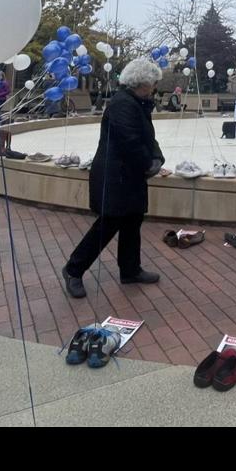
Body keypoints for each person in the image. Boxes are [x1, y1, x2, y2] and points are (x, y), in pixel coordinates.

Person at [61, 57, 166, 298]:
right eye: (153, 83)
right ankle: (73, 269)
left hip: (129, 175)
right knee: (108, 224)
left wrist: (157, 157)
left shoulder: (137, 102)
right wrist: (148, 164)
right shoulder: (123, 104)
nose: (154, 88)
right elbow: (130, 141)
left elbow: (148, 137)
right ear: (142, 83)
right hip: (116, 176)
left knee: (132, 221)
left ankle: (130, 270)